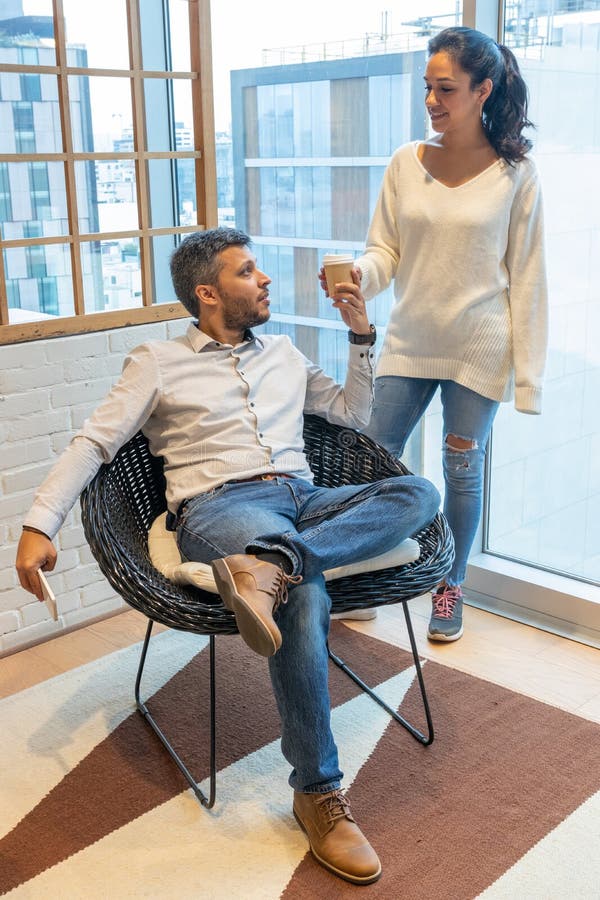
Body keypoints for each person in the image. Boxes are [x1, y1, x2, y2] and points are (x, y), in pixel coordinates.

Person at [16, 227, 440, 886]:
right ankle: (318, 793)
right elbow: (95, 442)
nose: (266, 280)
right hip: (219, 507)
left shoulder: (285, 354)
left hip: (304, 498)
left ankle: (273, 563)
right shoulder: (156, 360)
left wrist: (361, 333)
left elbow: (355, 417)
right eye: (249, 272)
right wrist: (40, 524)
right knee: (304, 596)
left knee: (418, 491)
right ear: (208, 293)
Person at [321, 26, 548, 643]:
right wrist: (360, 277)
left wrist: (526, 377)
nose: (432, 100)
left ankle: (451, 585)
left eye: (445, 88)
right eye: (428, 87)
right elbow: (384, 251)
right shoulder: (406, 162)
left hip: (481, 342)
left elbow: (527, 277)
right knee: (372, 458)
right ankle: (363, 574)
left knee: (461, 469)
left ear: (483, 91)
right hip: (412, 335)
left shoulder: (515, 175)